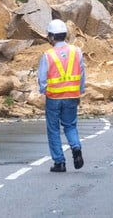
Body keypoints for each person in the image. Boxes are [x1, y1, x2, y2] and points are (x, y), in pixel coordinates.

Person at [37, 18, 86, 172]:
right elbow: (82, 73)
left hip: (54, 98)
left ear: (52, 36)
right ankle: (76, 147)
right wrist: (80, 91)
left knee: (53, 129)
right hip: (72, 95)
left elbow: (42, 78)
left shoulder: (48, 55)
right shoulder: (76, 51)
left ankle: (59, 162)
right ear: (65, 34)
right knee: (70, 126)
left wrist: (44, 90)